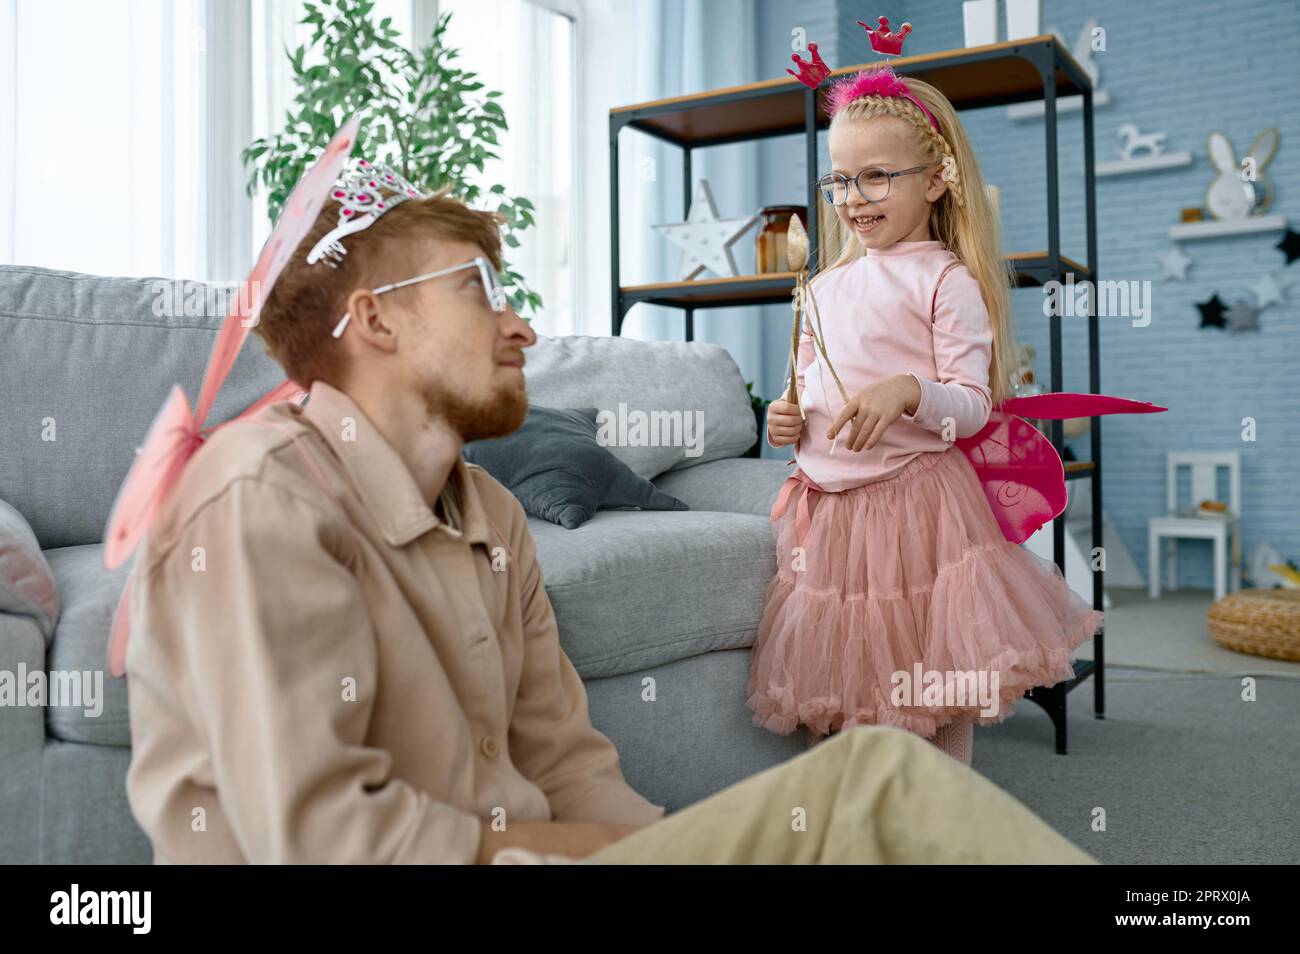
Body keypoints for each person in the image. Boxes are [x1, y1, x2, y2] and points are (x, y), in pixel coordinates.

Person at [123, 159, 1095, 864]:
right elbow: (327, 843)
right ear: (373, 319)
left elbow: (567, 762)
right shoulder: (260, 505)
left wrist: (661, 846)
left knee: (877, 782)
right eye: (477, 291)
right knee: (878, 787)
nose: (522, 324)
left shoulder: (492, 517)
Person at [752, 65, 1105, 765]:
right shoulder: (819, 287)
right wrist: (784, 418)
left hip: (918, 507)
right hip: (833, 515)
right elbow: (809, 387)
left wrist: (909, 390)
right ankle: (865, 816)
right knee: (849, 678)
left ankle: (941, 814)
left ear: (936, 178)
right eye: (840, 180)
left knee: (937, 678)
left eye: (877, 176)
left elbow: (971, 408)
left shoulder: (946, 280)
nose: (854, 198)